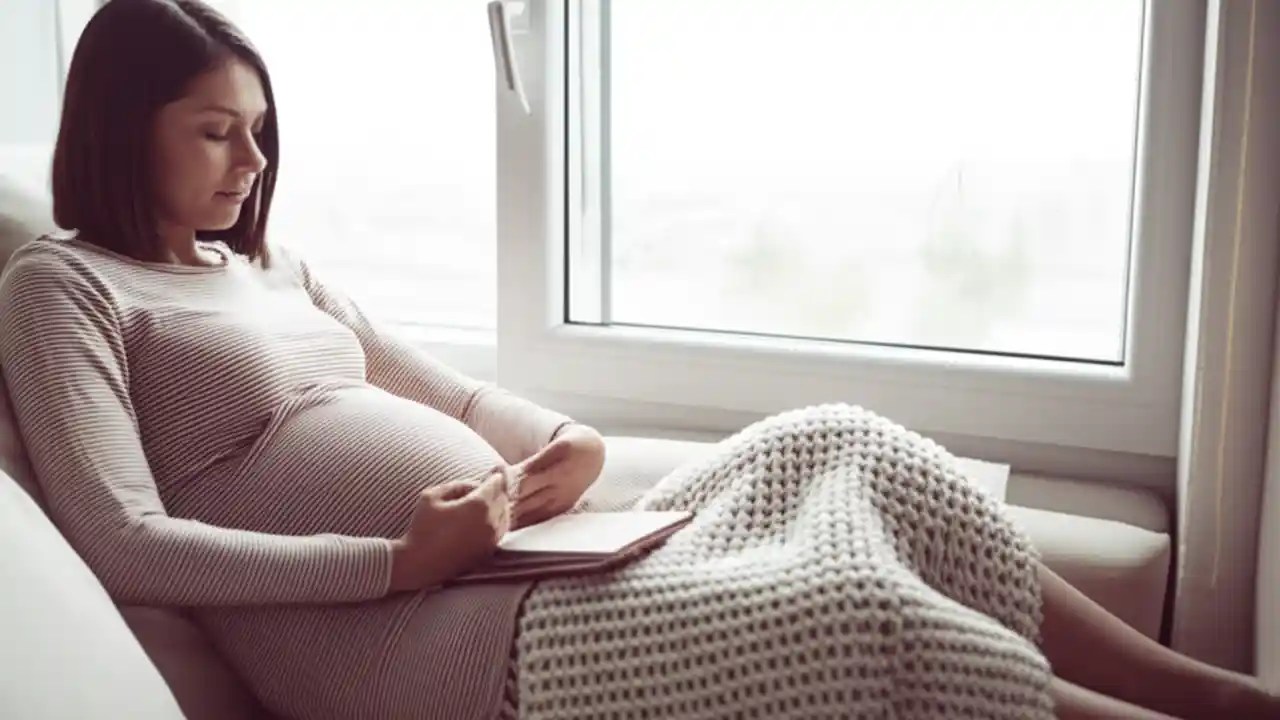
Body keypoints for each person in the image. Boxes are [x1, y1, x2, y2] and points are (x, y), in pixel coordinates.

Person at [0, 1, 1274, 718]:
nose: (254, 163)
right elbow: (123, 538)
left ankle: (1202, 696)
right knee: (847, 624)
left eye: (261, 132)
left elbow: (452, 399)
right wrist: (398, 560)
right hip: (396, 644)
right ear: (121, 130)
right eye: (217, 132)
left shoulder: (272, 271)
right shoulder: (62, 289)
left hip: (512, 574)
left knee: (848, 444)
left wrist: (565, 444)